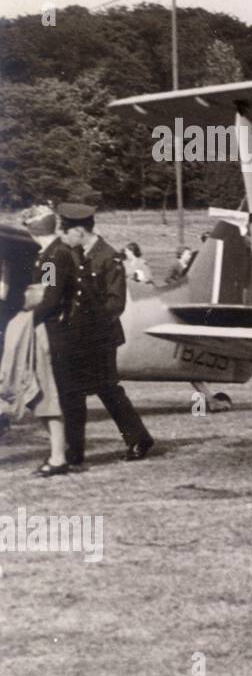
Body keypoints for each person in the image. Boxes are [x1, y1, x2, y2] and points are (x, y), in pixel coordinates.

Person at [56, 203, 154, 464]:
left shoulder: (108, 257)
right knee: (73, 393)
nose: (63, 236)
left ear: (78, 230)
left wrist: (86, 326)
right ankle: (72, 451)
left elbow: (115, 303)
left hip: (100, 337)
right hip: (77, 337)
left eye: (66, 231)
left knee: (107, 389)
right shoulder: (75, 253)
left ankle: (138, 439)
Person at [0, 205, 74, 476]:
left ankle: (58, 457)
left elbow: (49, 297)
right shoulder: (52, 254)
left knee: (44, 394)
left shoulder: (53, 257)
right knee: (41, 395)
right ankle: (59, 453)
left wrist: (26, 318)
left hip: (44, 330)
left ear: (32, 230)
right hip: (43, 327)